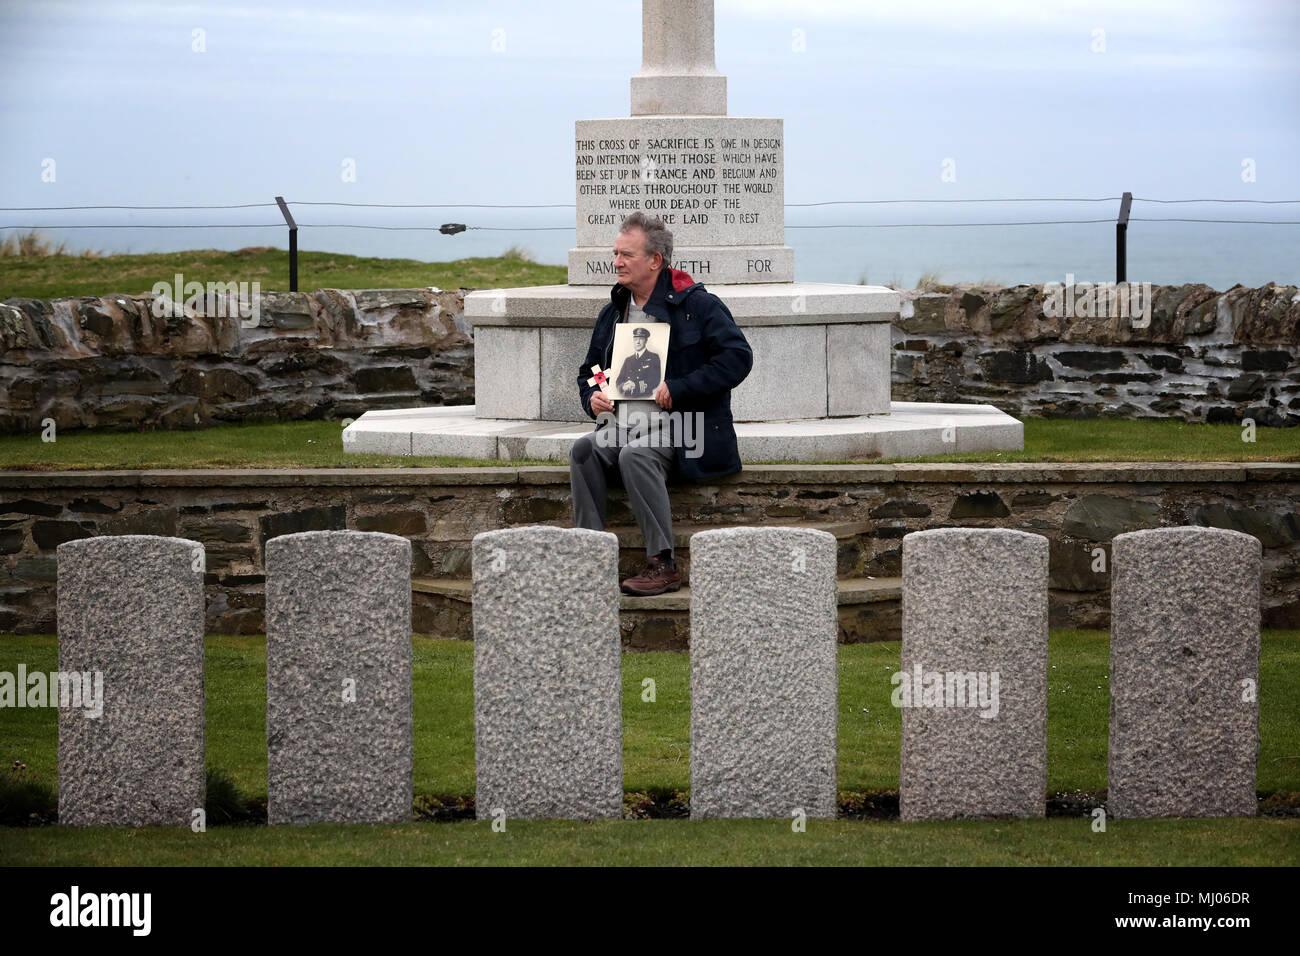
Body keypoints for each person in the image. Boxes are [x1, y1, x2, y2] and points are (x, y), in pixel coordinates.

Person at [570, 211, 753, 596]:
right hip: (624, 423)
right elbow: (591, 369)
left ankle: (663, 563)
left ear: (655, 260)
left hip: (685, 426)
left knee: (635, 455)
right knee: (585, 449)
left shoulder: (699, 305)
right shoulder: (612, 312)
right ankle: (587, 554)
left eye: (627, 255)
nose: (616, 262)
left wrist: (681, 387)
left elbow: (738, 358)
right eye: (615, 253)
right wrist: (594, 396)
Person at [615, 327, 662, 398]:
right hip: (627, 397)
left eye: (641, 339)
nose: (638, 342)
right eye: (635, 339)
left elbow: (655, 380)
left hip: (645, 397)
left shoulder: (653, 357)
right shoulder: (628, 359)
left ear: (646, 341)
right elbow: (619, 380)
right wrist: (623, 387)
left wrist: (636, 385)